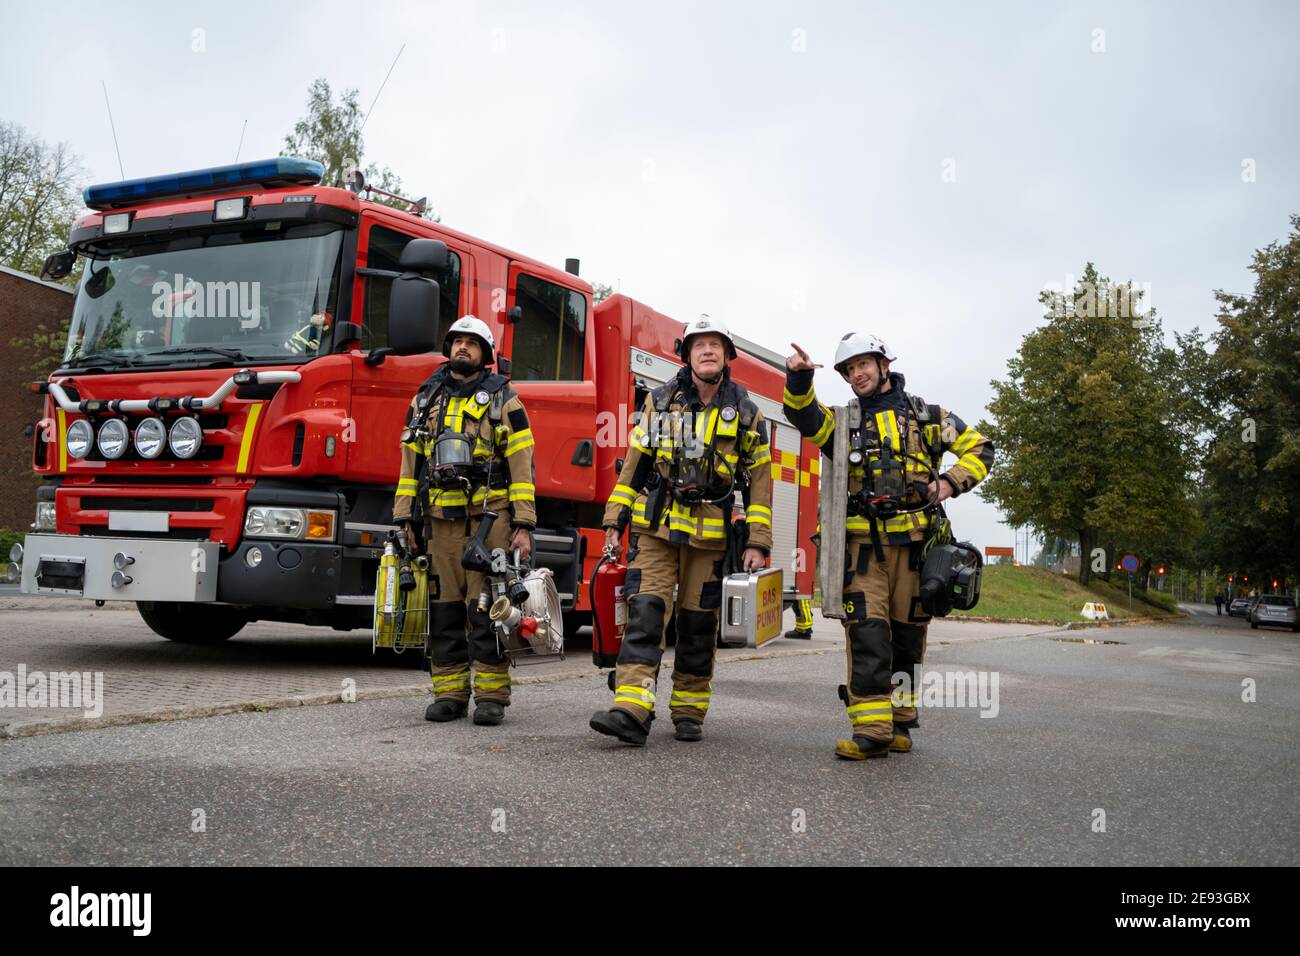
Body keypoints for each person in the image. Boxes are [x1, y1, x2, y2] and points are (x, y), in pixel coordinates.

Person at [784, 333, 994, 759]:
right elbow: (805, 418)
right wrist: (800, 381)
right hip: (863, 549)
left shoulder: (929, 416)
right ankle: (873, 728)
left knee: (908, 637)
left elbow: (982, 448)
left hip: (918, 549)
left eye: (864, 364)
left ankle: (900, 723)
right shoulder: (844, 422)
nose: (857, 374)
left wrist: (950, 484)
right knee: (867, 632)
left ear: (884, 364)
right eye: (849, 369)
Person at [589, 315, 773, 746]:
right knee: (647, 611)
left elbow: (761, 483)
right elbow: (636, 465)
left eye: (715, 345)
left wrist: (759, 543)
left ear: (727, 356)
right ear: (686, 354)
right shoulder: (660, 401)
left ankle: (689, 708)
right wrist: (614, 522)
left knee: (696, 624)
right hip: (657, 528)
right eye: (698, 345)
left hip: (709, 537)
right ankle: (632, 707)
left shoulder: (747, 414)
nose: (707, 351)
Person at [391, 315, 537, 727]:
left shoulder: (503, 400)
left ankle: (491, 695)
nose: (463, 348)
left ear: (485, 354)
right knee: (445, 609)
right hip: (439, 518)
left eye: (472, 344)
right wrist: (405, 519)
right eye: (457, 341)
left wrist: (523, 524)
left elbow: (522, 464)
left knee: (486, 606)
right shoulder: (425, 400)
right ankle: (450, 693)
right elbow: (409, 466)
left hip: (489, 518)